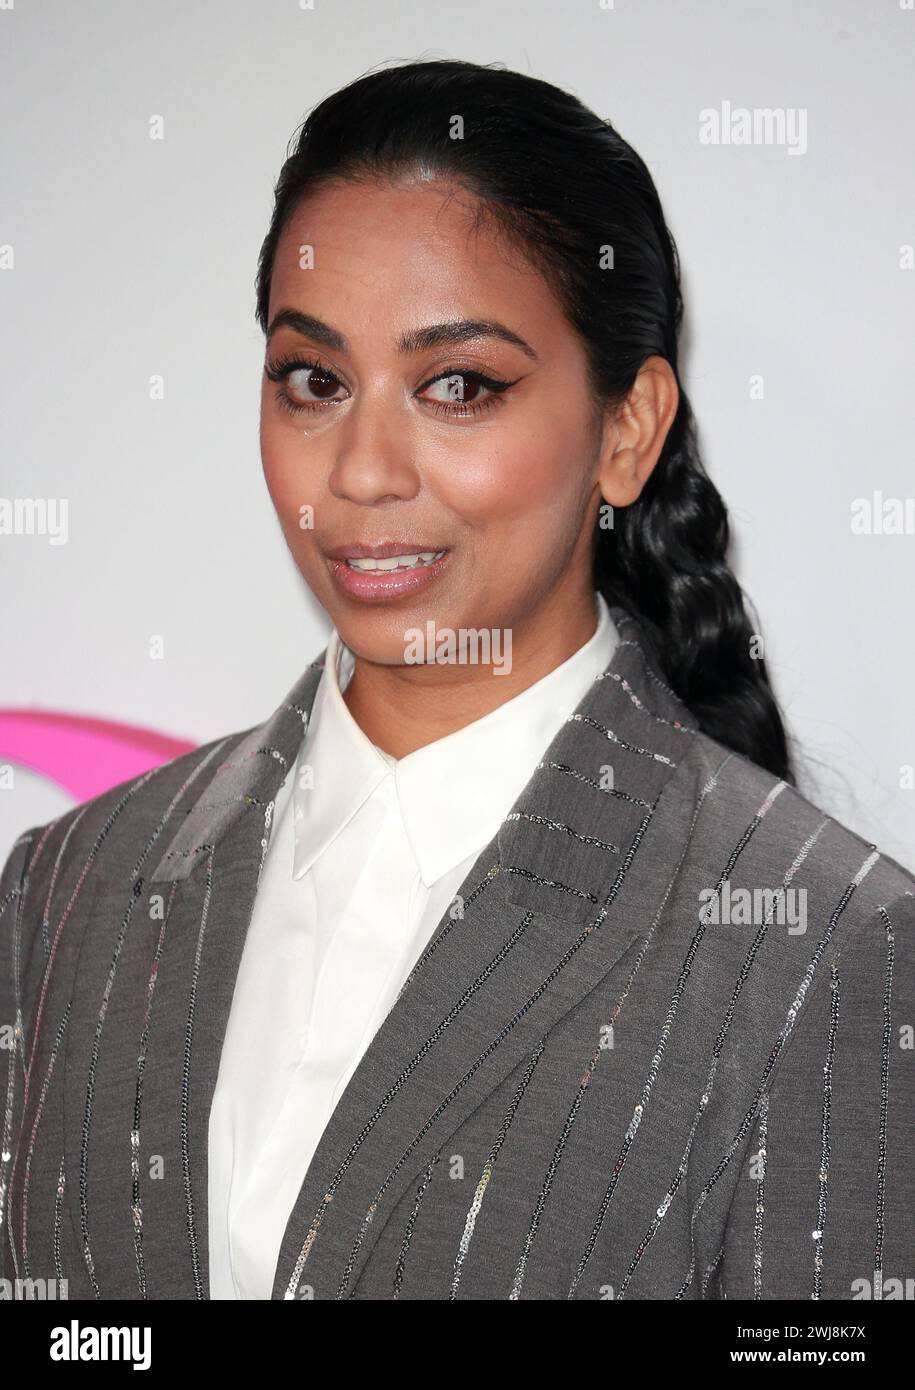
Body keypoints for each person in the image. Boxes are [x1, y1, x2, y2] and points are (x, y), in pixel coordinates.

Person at [2, 58, 912, 1302]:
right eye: (314, 381)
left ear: (628, 429)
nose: (365, 470)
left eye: (459, 386)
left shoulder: (826, 945)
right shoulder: (68, 891)